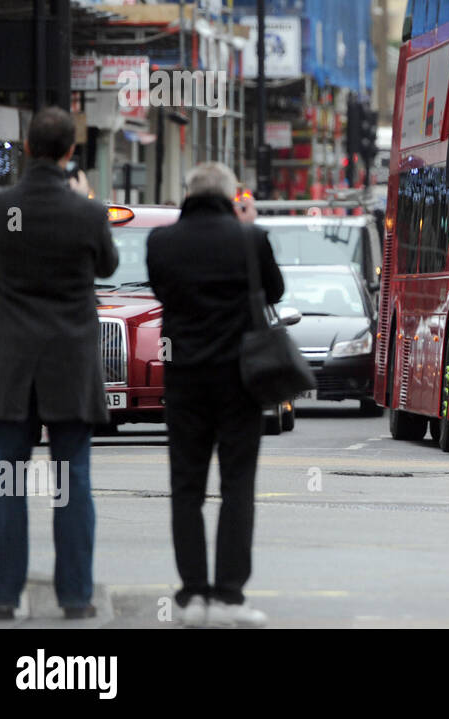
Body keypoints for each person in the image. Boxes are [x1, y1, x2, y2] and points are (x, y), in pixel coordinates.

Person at [0, 107, 118, 620]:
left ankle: (3, 596)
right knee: (73, 477)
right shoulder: (87, 213)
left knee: (7, 476)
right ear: (71, 152)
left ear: (27, 147)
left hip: (11, 359)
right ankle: (75, 597)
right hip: (68, 360)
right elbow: (108, 264)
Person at [146, 162, 285, 628]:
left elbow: (163, 291)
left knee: (186, 489)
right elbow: (276, 290)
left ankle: (191, 596)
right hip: (239, 381)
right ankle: (229, 594)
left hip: (184, 379)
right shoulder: (251, 238)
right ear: (230, 197)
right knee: (236, 487)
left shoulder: (160, 242)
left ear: (187, 194)